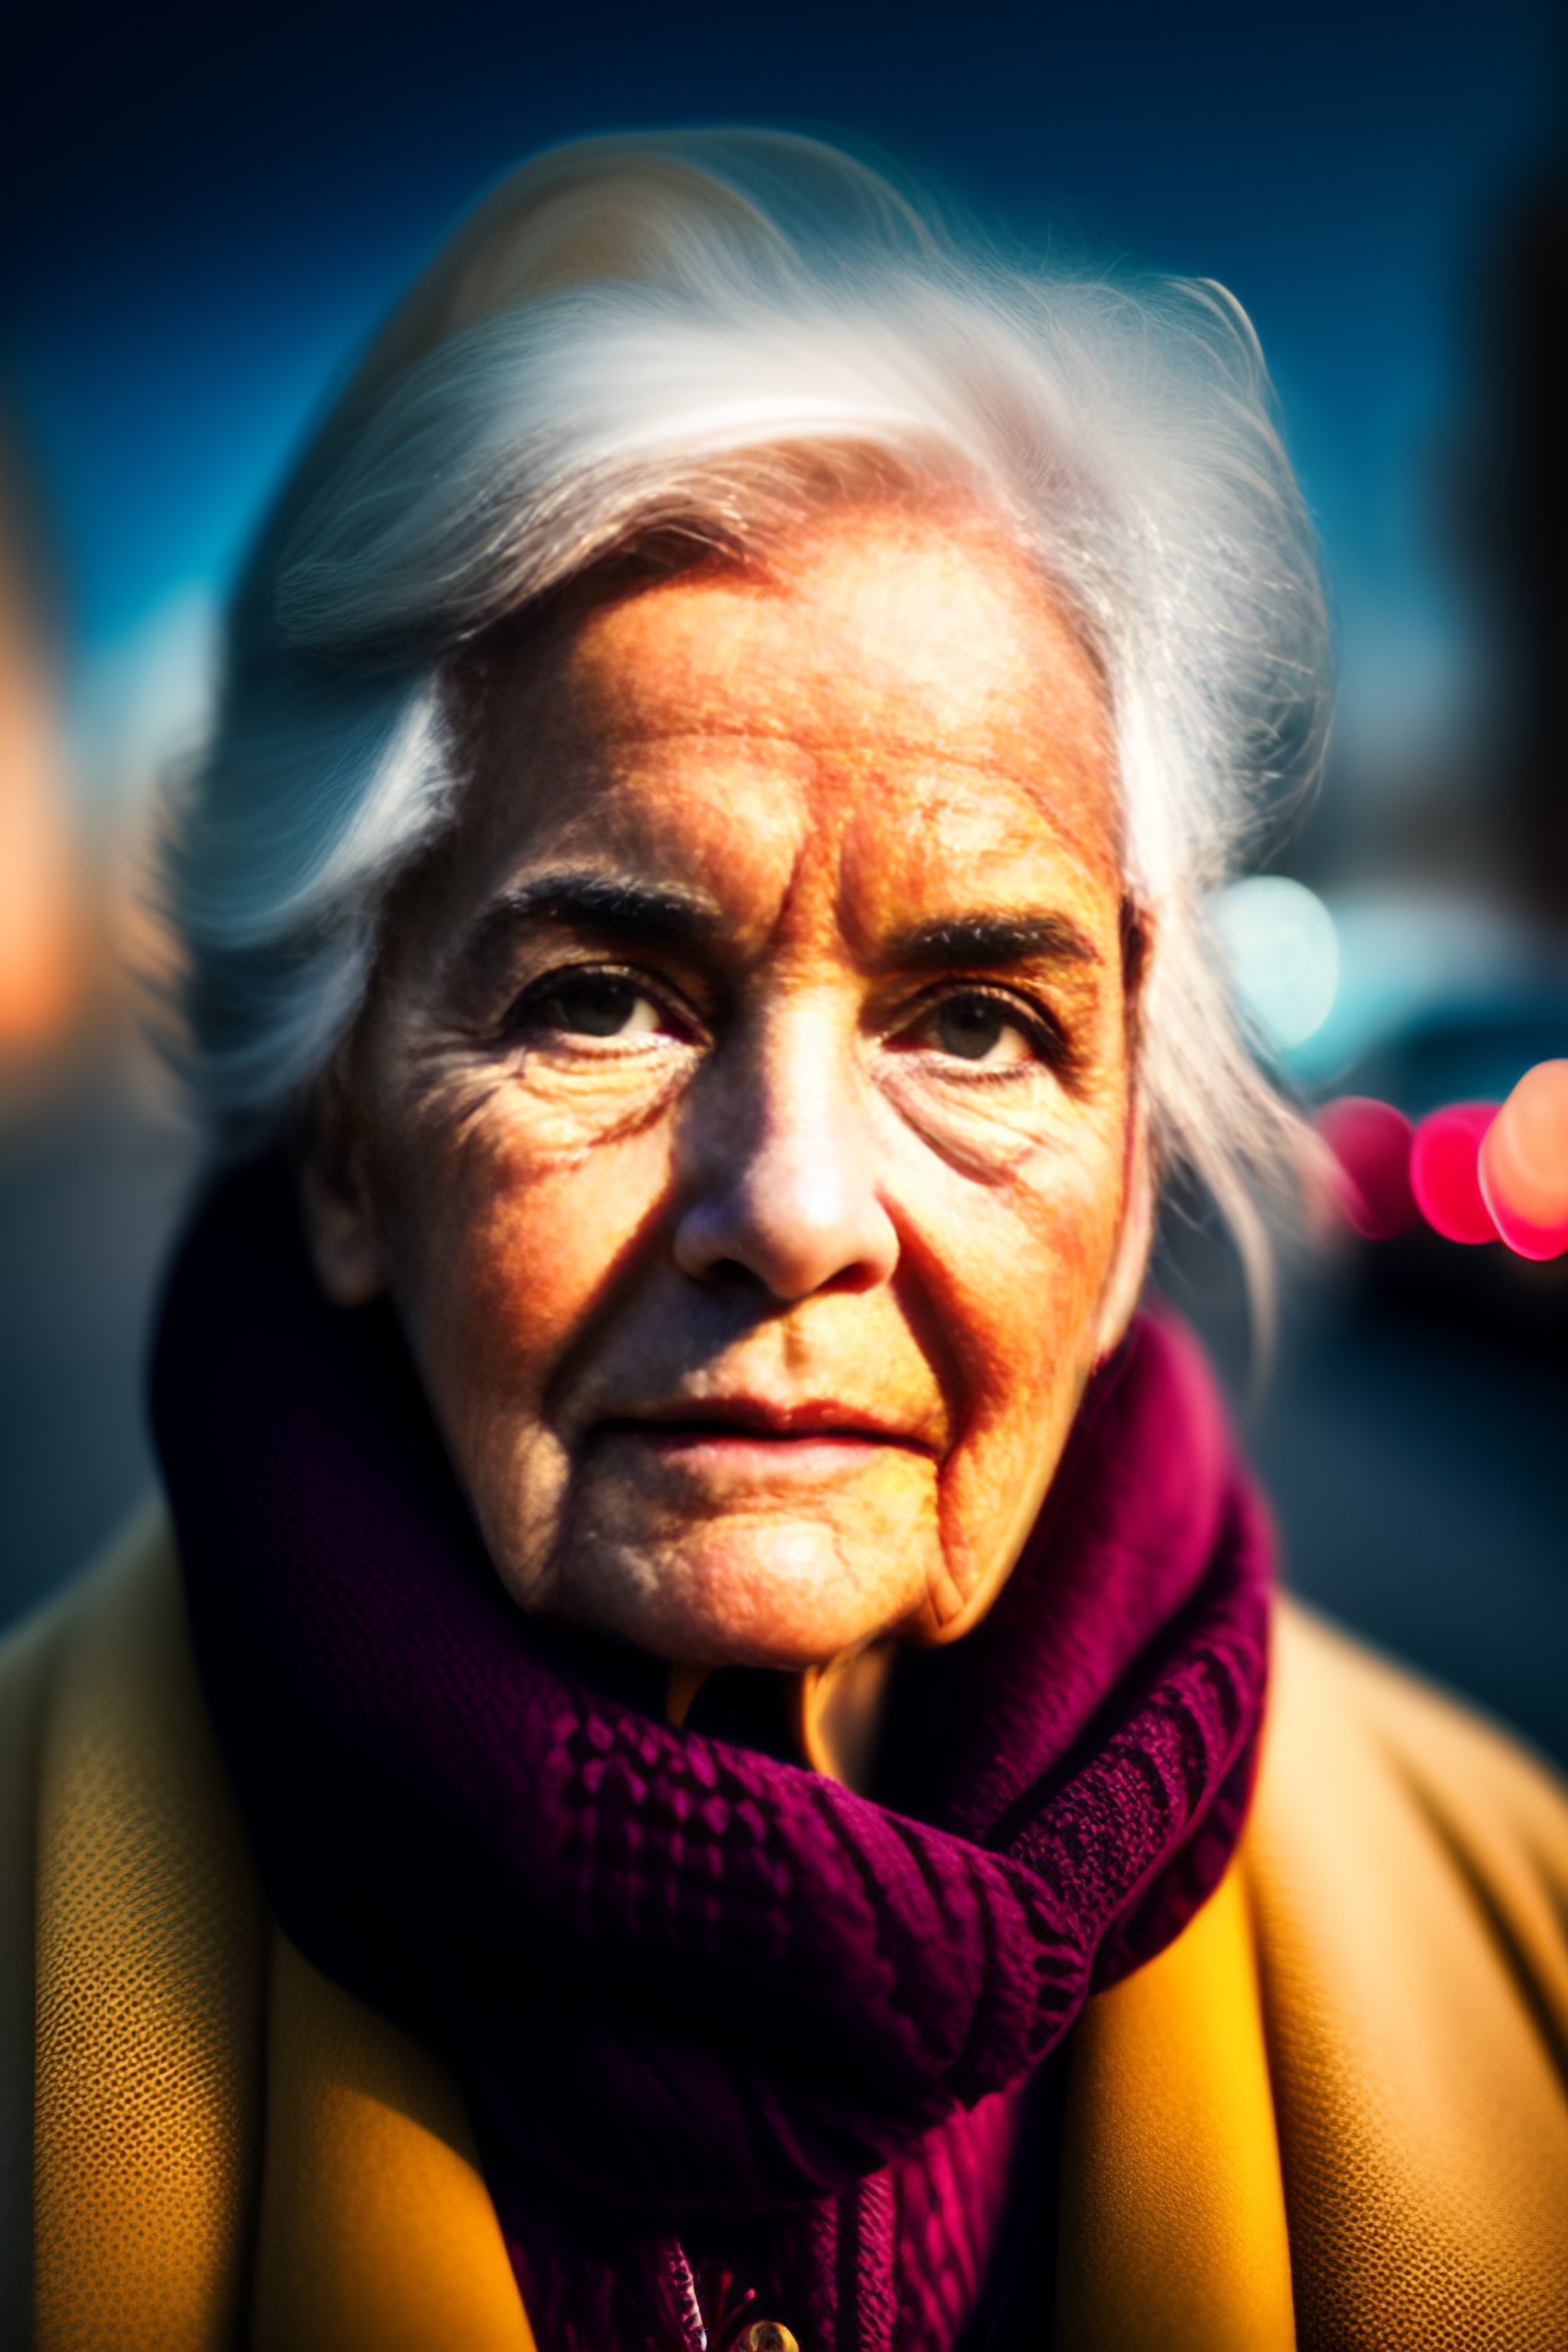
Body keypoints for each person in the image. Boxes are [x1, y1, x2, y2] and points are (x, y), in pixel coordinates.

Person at [2, 132, 1565, 2352]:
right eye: (604, 1001)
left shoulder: (1531, 1942)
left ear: (1131, 1162)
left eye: (975, 1020)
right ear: (347, 1148)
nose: (802, 1209)